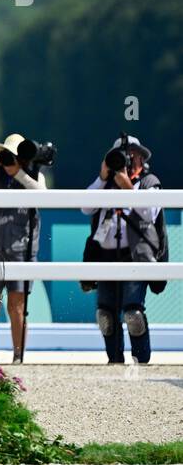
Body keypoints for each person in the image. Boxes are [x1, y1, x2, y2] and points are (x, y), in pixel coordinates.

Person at [82, 135, 161, 364]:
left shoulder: (148, 182)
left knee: (132, 313)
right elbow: (85, 207)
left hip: (135, 256)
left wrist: (128, 189)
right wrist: (102, 176)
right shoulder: (104, 184)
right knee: (105, 314)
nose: (127, 159)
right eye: (120, 155)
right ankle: (114, 360)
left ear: (141, 158)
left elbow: (150, 214)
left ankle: (141, 361)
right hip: (106, 256)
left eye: (131, 154)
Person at [0, 133, 47, 364]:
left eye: (12, 157)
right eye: (5, 156)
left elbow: (43, 197)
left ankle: (18, 355)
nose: (8, 161)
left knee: (17, 306)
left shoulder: (34, 175)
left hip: (21, 249)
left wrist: (18, 173)